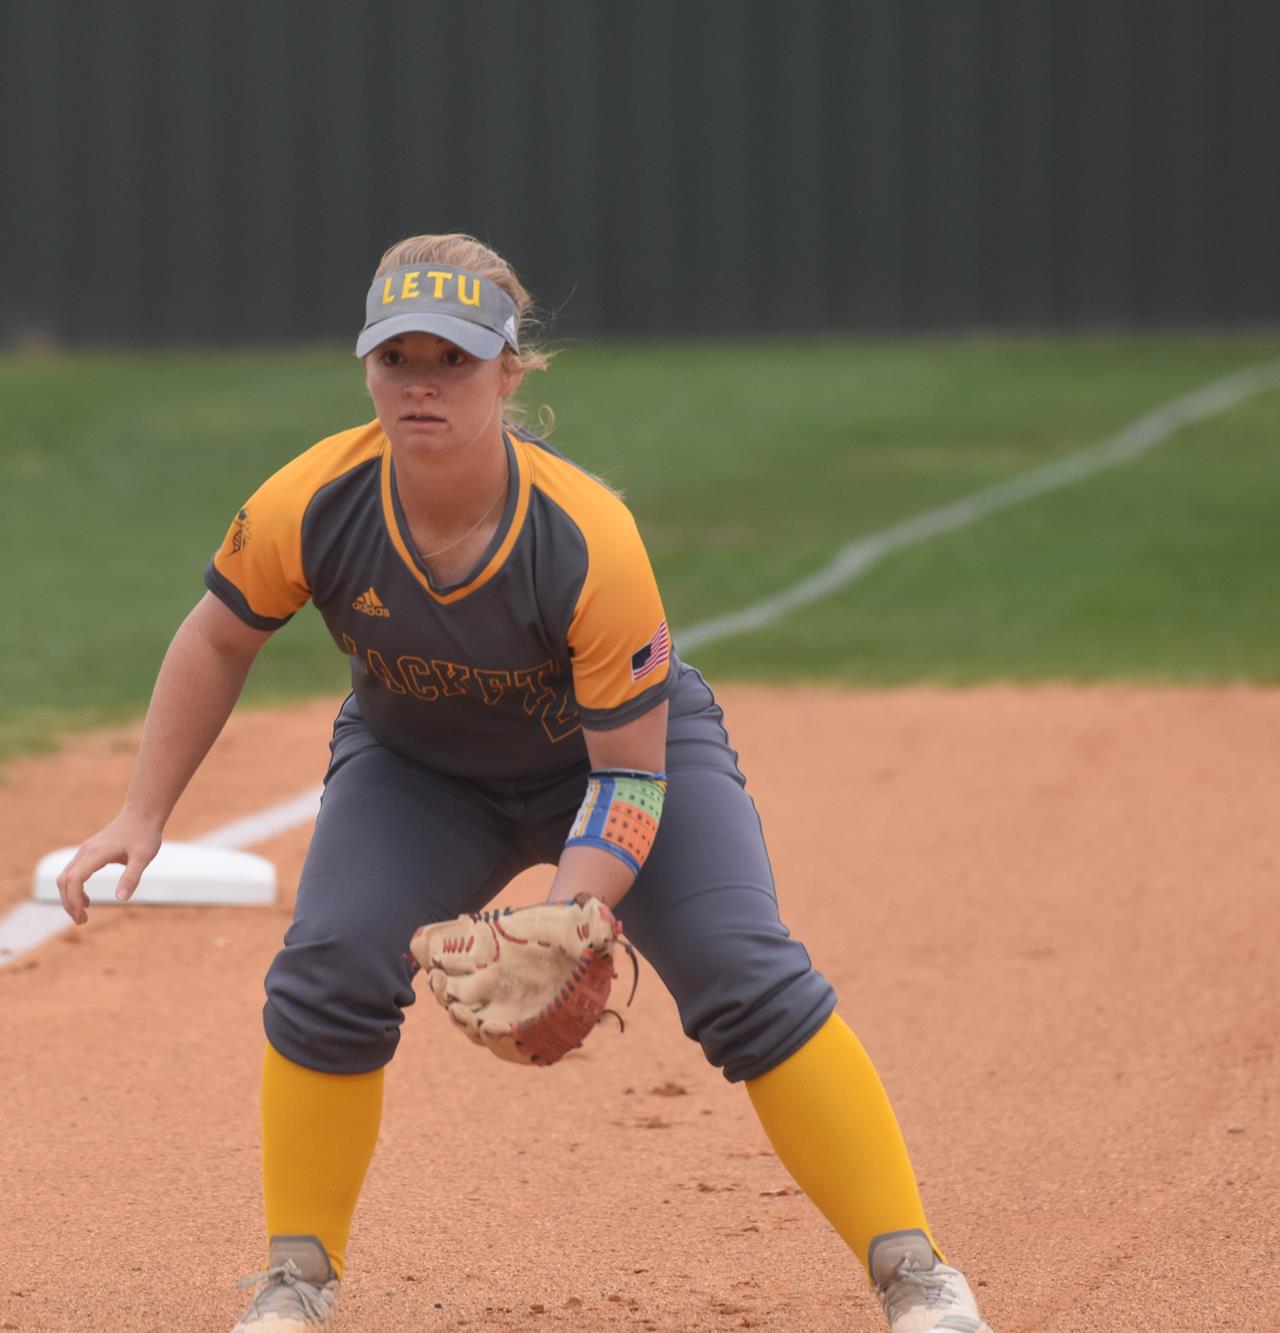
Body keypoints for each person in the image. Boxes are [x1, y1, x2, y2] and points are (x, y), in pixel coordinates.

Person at [55, 234, 991, 1333]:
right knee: (326, 967)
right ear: (364, 367)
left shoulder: (586, 538)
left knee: (745, 974)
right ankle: (292, 1284)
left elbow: (630, 779)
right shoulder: (312, 498)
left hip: (617, 763)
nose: (419, 383)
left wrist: (573, 913)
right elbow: (217, 639)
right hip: (418, 770)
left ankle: (915, 1274)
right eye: (394, 356)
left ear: (509, 369)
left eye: (448, 359)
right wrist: (141, 810)